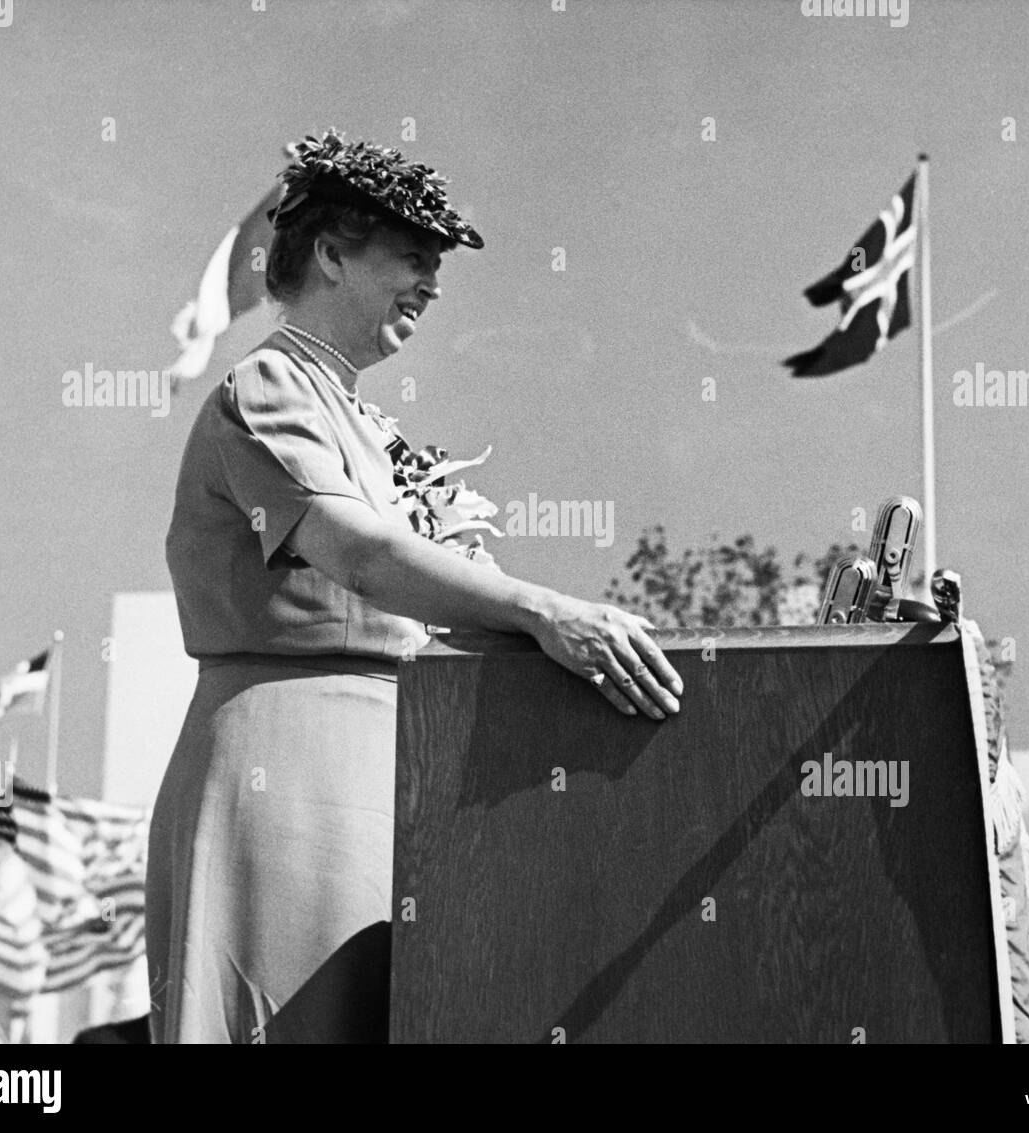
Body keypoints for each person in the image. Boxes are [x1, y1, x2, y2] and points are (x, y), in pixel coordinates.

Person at [146, 130, 683, 1044]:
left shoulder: (358, 414)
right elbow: (355, 549)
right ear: (328, 254)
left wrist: (570, 626)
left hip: (398, 773)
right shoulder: (270, 383)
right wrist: (547, 610)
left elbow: (460, 584)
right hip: (288, 772)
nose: (432, 285)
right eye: (412, 258)